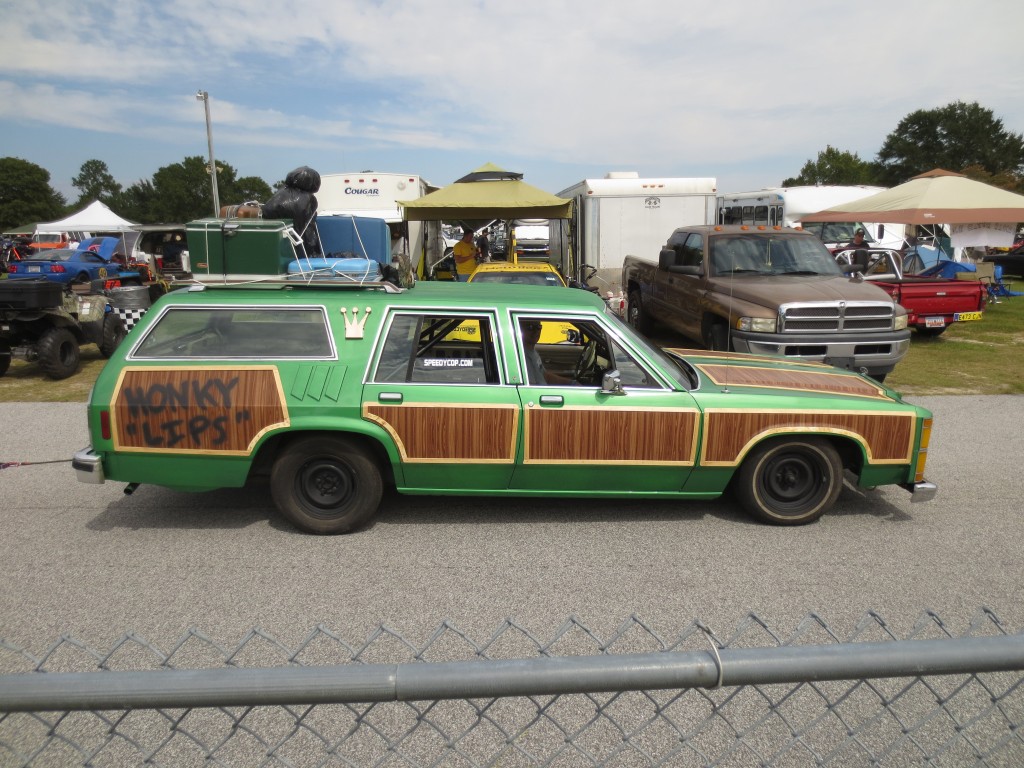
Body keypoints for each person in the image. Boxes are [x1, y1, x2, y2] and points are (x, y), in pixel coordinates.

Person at [520, 320, 573, 385]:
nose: (536, 331)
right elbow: (531, 387)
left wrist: (571, 383)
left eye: (538, 327)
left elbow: (545, 376)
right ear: (520, 330)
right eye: (530, 327)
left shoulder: (533, 352)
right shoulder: (521, 357)